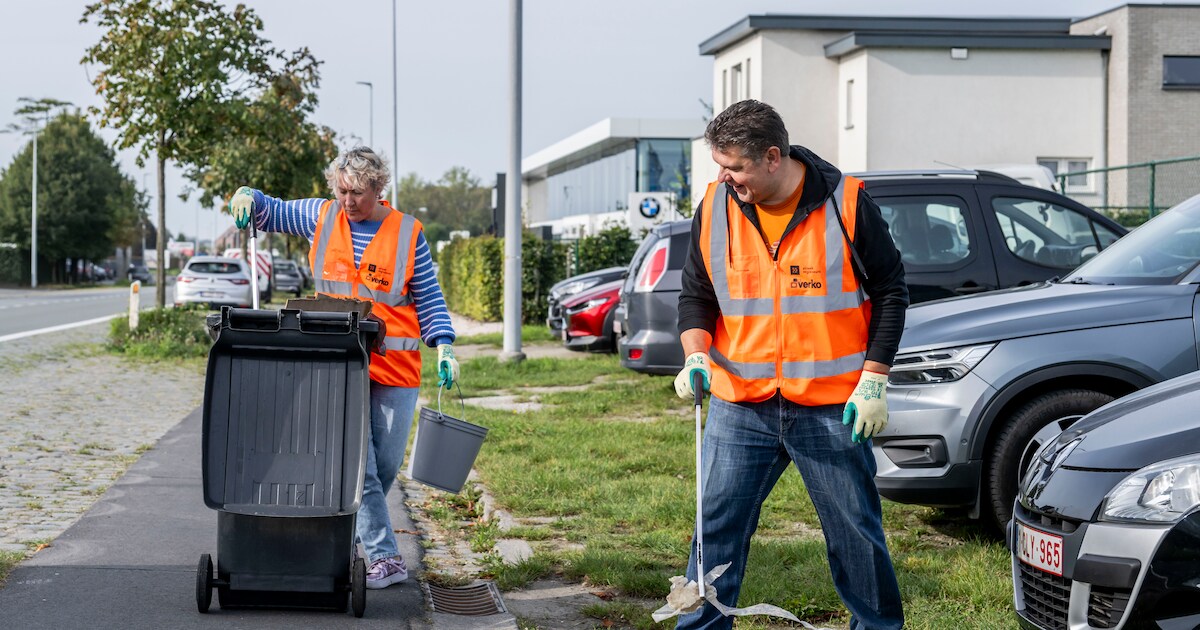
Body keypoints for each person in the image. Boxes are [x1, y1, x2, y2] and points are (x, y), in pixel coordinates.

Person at [673, 100, 908, 630]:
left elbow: (892, 292)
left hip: (830, 408)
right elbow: (696, 295)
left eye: (734, 167)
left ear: (773, 157)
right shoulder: (714, 207)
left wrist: (874, 379)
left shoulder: (847, 204)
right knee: (715, 531)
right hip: (740, 404)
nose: (724, 177)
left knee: (855, 533)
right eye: (720, 165)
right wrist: (695, 355)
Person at [229, 146, 459, 590]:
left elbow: (429, 297)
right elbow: (270, 211)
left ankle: (349, 536)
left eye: (356, 192)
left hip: (396, 369)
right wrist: (249, 195)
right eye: (341, 190)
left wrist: (445, 345)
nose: (348, 201)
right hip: (337, 364)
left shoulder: (408, 233)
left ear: (378, 188)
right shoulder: (322, 215)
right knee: (361, 465)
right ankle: (385, 557)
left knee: (386, 465)